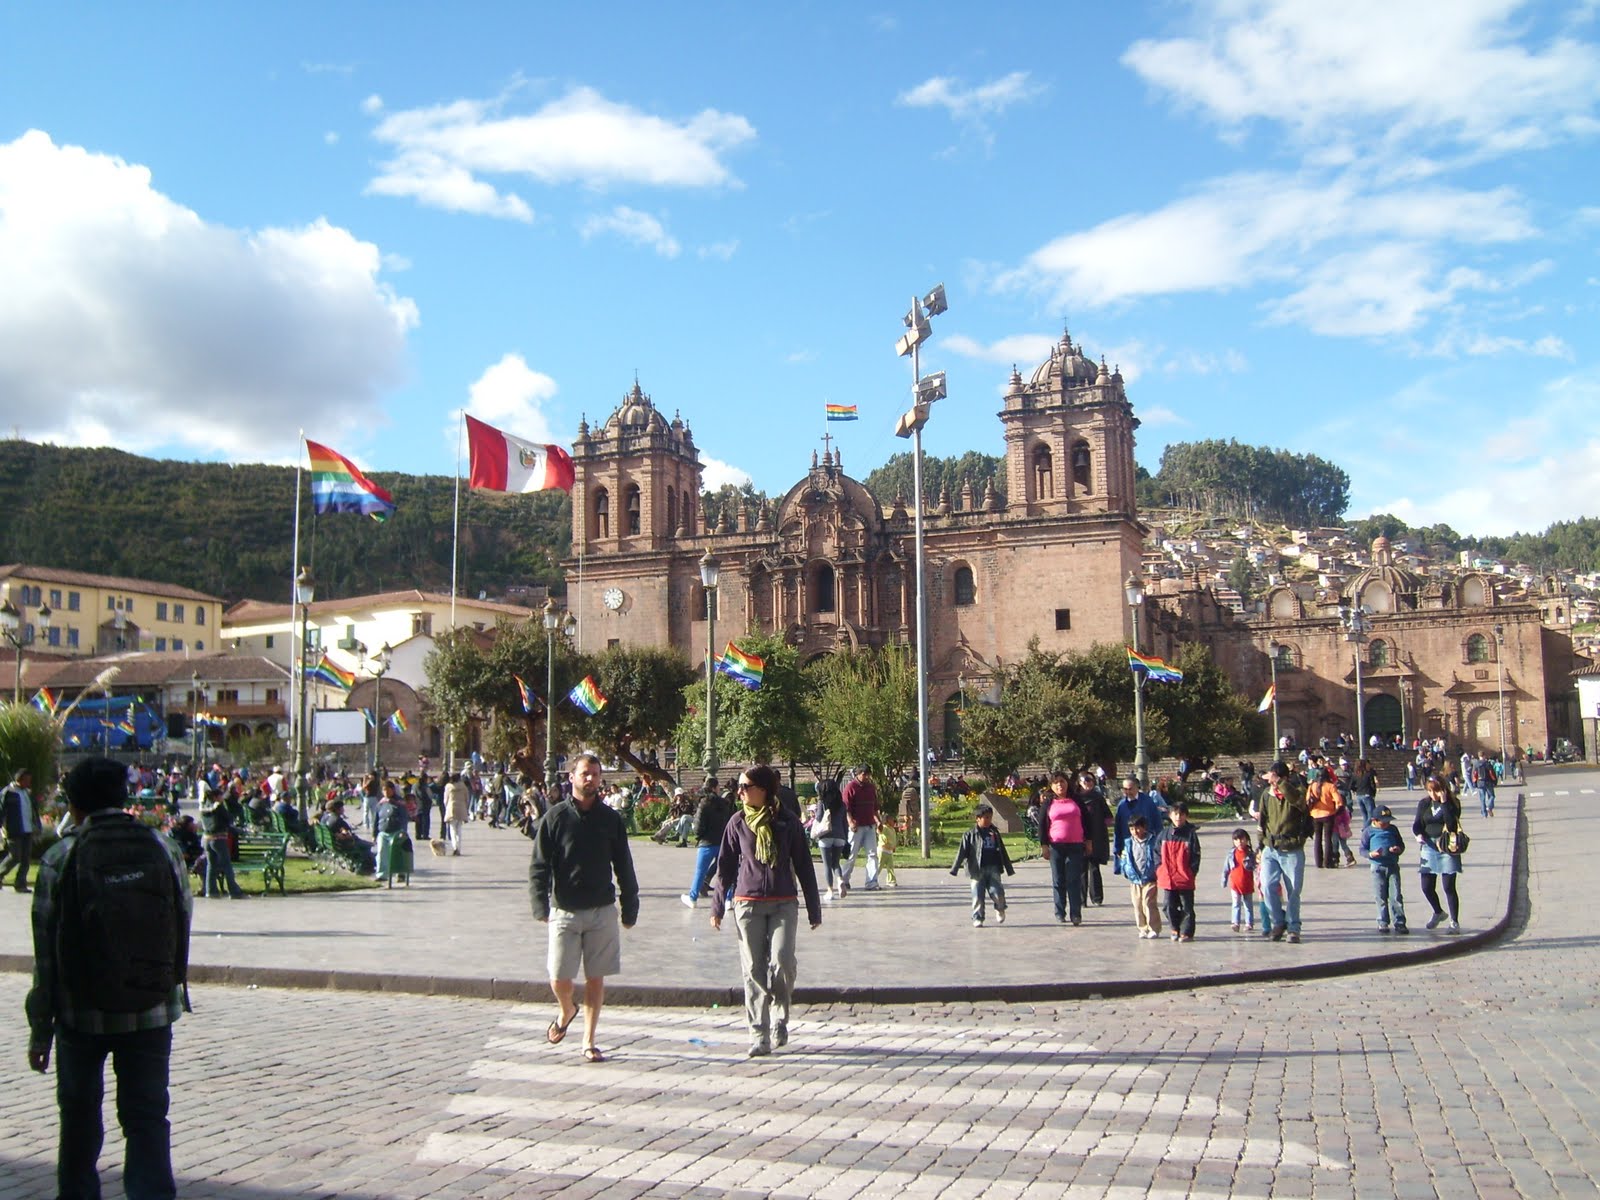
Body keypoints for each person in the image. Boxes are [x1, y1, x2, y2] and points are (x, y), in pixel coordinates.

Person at [26, 756, 192, 1200]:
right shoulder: (163, 848)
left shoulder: (61, 857)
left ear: (75, 806)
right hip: (152, 1006)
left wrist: (40, 1032)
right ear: (125, 797)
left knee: (79, 1116)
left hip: (82, 1011)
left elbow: (47, 957)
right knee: (147, 1116)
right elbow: (181, 923)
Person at [530, 752, 639, 1064]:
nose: (590, 779)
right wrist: (540, 904)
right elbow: (539, 866)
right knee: (559, 977)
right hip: (564, 908)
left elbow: (624, 865)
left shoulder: (611, 820)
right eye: (584, 774)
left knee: (596, 977)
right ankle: (567, 1009)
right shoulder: (555, 818)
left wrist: (629, 904)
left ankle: (589, 1041)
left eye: (594, 773)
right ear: (572, 777)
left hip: (601, 909)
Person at [710, 765, 821, 1057]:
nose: (740, 791)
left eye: (746, 786)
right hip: (748, 903)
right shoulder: (736, 823)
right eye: (740, 786)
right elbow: (725, 867)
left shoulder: (788, 822)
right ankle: (759, 1034)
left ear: (765, 789)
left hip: (783, 900)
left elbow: (804, 865)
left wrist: (814, 908)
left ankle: (780, 1018)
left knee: (783, 962)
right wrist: (718, 905)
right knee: (754, 969)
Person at [1257, 761, 1311, 943]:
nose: (1271, 783)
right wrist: (1260, 845)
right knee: (1267, 886)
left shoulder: (1298, 791)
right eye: (1271, 779)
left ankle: (1294, 927)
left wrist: (1280, 783)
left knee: (1294, 890)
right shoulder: (1266, 795)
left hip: (1292, 849)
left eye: (1275, 779)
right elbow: (1262, 821)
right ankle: (1278, 922)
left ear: (1284, 778)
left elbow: (1299, 802)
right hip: (1271, 848)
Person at [949, 802, 1015, 927]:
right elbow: (961, 852)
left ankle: (1000, 908)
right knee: (977, 896)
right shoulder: (969, 835)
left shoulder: (994, 833)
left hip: (993, 868)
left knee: (998, 892)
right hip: (976, 870)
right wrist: (955, 868)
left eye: (990, 817)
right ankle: (978, 917)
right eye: (986, 817)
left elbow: (1002, 851)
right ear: (978, 819)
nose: (989, 820)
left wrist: (1008, 868)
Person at [1413, 777, 1464, 934]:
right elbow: (1417, 824)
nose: (1432, 794)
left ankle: (1454, 921)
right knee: (1426, 886)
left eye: (1435, 790)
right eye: (1429, 790)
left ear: (1442, 789)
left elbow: (1451, 825)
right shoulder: (1424, 803)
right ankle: (1438, 912)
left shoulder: (1453, 803)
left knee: (1448, 886)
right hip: (1429, 846)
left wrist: (1444, 802)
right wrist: (1418, 834)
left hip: (1447, 847)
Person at [1042, 771, 1086, 926]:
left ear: (1067, 783)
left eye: (1062, 781)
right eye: (1056, 782)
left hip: (1075, 845)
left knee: (1074, 879)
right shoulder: (1048, 803)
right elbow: (1042, 825)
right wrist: (1044, 845)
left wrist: (1089, 841)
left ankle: (1076, 913)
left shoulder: (1076, 800)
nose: (1059, 785)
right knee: (1058, 880)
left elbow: (1086, 821)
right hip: (1056, 846)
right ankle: (1060, 911)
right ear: (1051, 786)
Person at [680, 779, 733, 909]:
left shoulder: (704, 803)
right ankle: (728, 899)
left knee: (700, 871)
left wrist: (699, 836)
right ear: (715, 788)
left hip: (707, 842)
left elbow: (698, 826)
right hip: (722, 841)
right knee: (726, 871)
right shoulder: (724, 804)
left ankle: (693, 898)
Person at [1155, 801, 1201, 941]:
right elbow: (1157, 853)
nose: (1178, 817)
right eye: (1175, 814)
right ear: (1170, 815)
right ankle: (1174, 927)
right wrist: (1159, 869)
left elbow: (1195, 855)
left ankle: (1186, 931)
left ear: (1186, 816)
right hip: (1168, 877)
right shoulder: (1164, 834)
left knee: (1187, 907)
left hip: (1185, 877)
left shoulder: (1190, 835)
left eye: (1181, 814)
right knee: (1168, 906)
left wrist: (1191, 872)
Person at [1360, 806, 1408, 933]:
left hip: (1392, 865)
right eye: (1383, 822)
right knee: (1380, 895)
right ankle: (1382, 921)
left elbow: (1401, 844)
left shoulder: (1393, 830)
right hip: (1377, 866)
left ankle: (1400, 922)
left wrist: (1398, 849)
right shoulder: (1369, 831)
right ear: (1374, 820)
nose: (1386, 824)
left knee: (1396, 895)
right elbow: (1362, 849)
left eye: (1388, 821)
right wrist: (1371, 854)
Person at [1117, 815, 1162, 939]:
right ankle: (1142, 928)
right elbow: (1124, 858)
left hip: (1149, 877)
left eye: (1138, 828)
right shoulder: (1128, 843)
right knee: (1137, 904)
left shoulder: (1152, 841)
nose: (1135, 832)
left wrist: (1158, 871)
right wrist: (1125, 870)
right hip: (1135, 879)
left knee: (1148, 903)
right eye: (1132, 829)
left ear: (1144, 827)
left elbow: (1158, 857)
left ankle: (1153, 927)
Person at [839, 765, 880, 894]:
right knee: (851, 854)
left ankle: (871, 882)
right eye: (864, 774)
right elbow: (846, 808)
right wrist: (850, 821)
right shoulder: (850, 787)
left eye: (868, 774)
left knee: (872, 854)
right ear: (858, 774)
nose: (867, 777)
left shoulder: (871, 788)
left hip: (869, 825)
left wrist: (878, 821)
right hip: (856, 827)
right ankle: (844, 879)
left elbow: (874, 807)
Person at [1112, 776, 1166, 872]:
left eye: (1130, 789)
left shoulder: (1148, 802)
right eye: (1125, 789)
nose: (1128, 792)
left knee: (1148, 874)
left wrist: (1159, 843)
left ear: (1137, 788)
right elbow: (1118, 828)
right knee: (1132, 873)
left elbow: (1157, 823)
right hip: (1128, 844)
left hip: (1146, 844)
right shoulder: (1121, 805)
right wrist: (1117, 848)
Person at [198, 794, 247, 899]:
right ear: (215, 797)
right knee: (227, 865)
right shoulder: (218, 807)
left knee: (211, 865)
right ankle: (234, 891)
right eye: (220, 796)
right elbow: (228, 818)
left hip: (207, 838)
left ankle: (211, 891)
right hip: (219, 838)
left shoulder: (203, 808)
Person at [810, 777, 850, 900]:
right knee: (836, 863)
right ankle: (840, 880)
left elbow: (818, 818)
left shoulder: (822, 803)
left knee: (827, 865)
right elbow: (845, 822)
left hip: (825, 835)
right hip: (840, 836)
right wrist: (845, 837)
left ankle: (829, 891)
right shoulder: (842, 804)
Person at [1, 766, 37, 893]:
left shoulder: (27, 793)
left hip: (28, 829)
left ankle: (20, 883)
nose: (29, 783)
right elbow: (1, 811)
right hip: (14, 829)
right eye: (27, 780)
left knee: (26, 858)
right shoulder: (8, 792)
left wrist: (37, 825)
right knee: (15, 856)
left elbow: (33, 811)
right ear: (19, 780)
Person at [1078, 772, 1111, 908]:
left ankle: (1097, 897)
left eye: (1091, 780)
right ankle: (1081, 899)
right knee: (1081, 869)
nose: (1088, 782)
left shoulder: (1098, 798)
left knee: (1094, 868)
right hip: (1080, 837)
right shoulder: (1076, 798)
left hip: (1096, 836)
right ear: (1079, 782)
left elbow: (1108, 817)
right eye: (1085, 780)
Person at [1307, 765, 1343, 869]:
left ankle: (1318, 862)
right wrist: (1335, 810)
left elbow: (1307, 800)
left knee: (1317, 838)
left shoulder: (1312, 786)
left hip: (1315, 814)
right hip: (1328, 814)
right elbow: (1339, 801)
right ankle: (1328, 862)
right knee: (1328, 838)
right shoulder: (1330, 786)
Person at [1222, 828, 1256, 933]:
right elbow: (1226, 867)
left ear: (1247, 840)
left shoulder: (1250, 854)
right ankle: (1235, 923)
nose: (1239, 842)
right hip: (1235, 884)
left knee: (1248, 905)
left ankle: (1249, 923)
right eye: (1236, 840)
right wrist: (1224, 879)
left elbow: (1257, 866)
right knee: (1236, 904)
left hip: (1247, 884)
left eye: (1242, 839)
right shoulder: (1231, 854)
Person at [443, 772, 469, 855]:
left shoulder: (448, 786)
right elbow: (467, 798)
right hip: (461, 808)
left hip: (451, 808)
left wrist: (447, 807)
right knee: (459, 829)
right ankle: (459, 848)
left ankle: (455, 847)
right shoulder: (463, 786)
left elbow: (445, 800)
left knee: (452, 829)